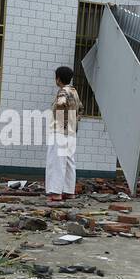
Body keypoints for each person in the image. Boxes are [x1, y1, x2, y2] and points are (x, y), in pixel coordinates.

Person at [46, 66, 83, 204]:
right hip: (72, 133)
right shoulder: (74, 91)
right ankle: (69, 191)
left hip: (60, 132)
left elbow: (61, 105)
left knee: (56, 162)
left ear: (58, 78)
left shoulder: (62, 92)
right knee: (69, 162)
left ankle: (55, 192)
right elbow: (81, 109)